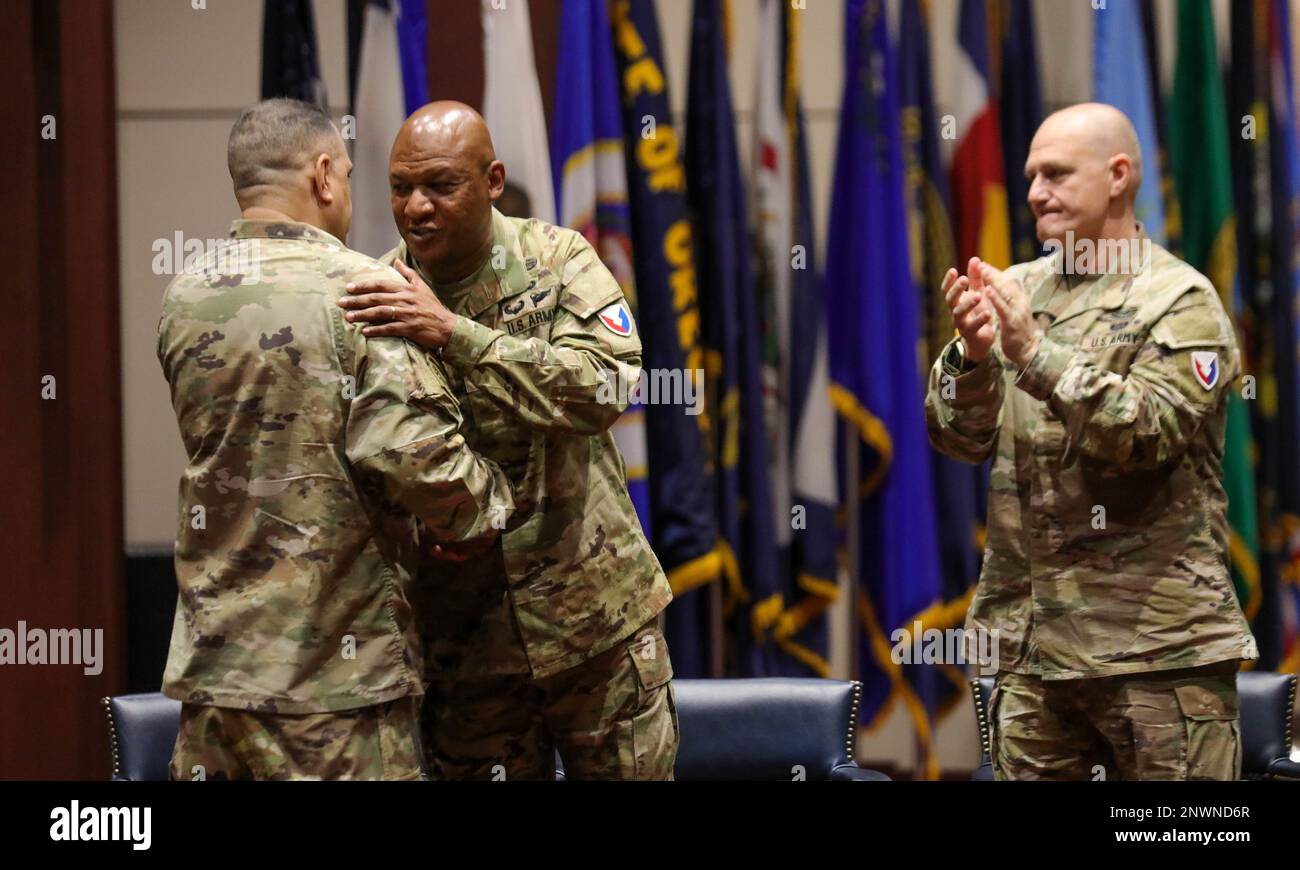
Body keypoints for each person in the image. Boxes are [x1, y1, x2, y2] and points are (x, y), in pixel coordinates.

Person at [157, 98, 516, 780]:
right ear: (324, 175)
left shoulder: (184, 297)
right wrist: (493, 507)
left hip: (215, 678)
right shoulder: (366, 293)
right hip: (336, 684)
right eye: (348, 174)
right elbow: (421, 463)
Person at [337, 101, 676, 780]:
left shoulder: (558, 260)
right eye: (401, 188)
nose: (417, 208)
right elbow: (362, 455)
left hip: (595, 620)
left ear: (492, 180)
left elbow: (607, 387)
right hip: (466, 643)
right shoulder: (373, 295)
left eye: (440, 185)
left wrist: (455, 336)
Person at [926, 103, 1258, 780]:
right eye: (1029, 176)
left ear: (1118, 176)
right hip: (1033, 645)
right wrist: (975, 361)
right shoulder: (1015, 289)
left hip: (1159, 649)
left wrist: (1033, 352)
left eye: (1055, 173)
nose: (1034, 192)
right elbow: (957, 439)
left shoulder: (1180, 300)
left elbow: (1145, 433)